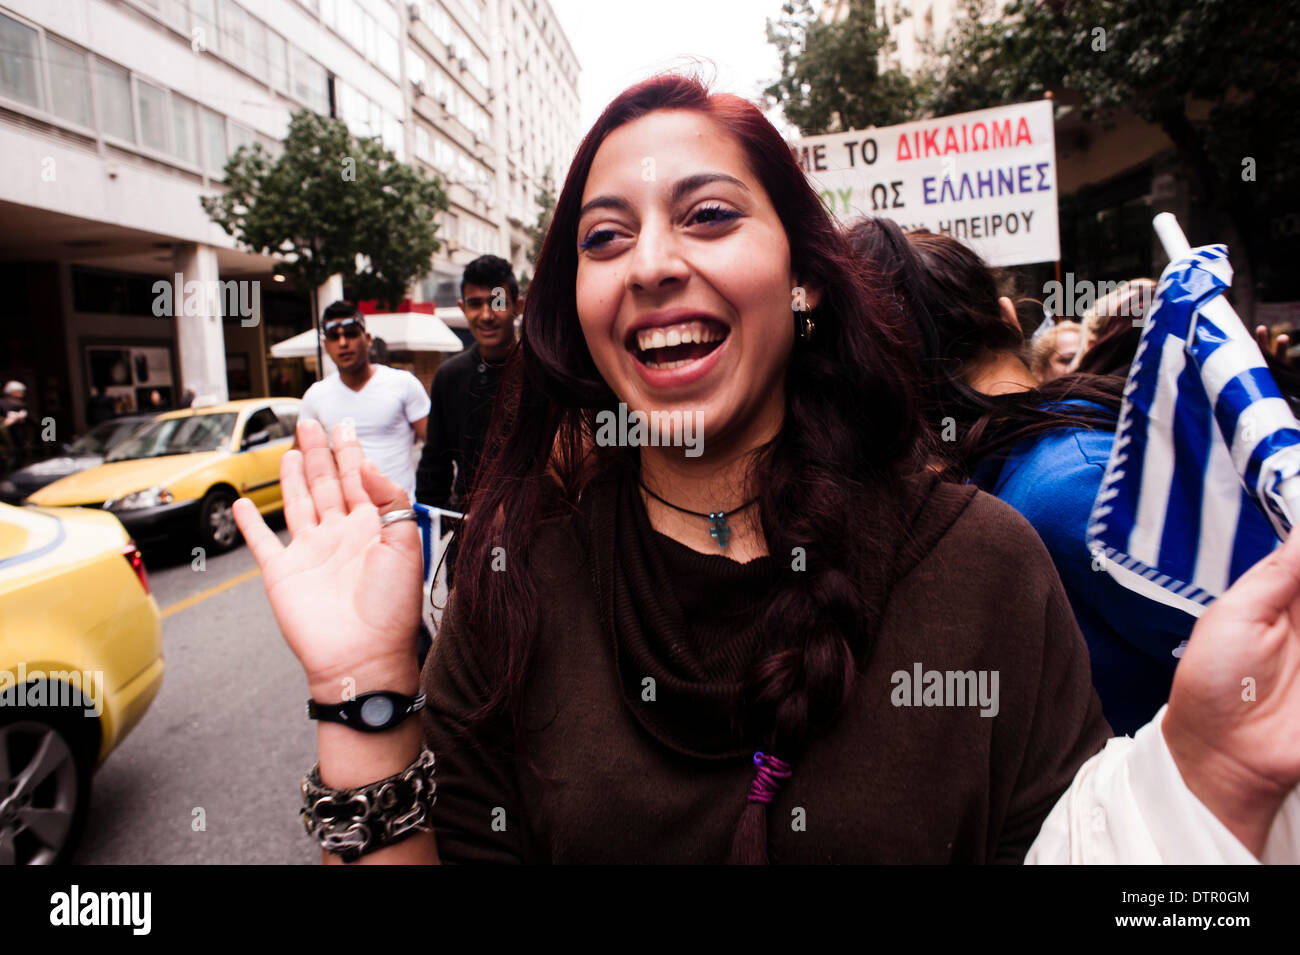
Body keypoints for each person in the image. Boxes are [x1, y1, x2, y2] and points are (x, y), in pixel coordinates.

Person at [234, 75, 1300, 865]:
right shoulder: (516, 577)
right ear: (581, 315)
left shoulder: (986, 571)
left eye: (706, 215)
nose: (651, 263)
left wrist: (1204, 783)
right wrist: (359, 689)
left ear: (803, 284)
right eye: (604, 238)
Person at [415, 255, 521, 585]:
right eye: (475, 304)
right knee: (467, 629)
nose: (486, 315)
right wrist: (429, 530)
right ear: (462, 307)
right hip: (469, 538)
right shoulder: (450, 376)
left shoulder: (545, 370)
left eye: (497, 302)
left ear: (517, 306)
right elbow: (435, 464)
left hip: (537, 537)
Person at [298, 302, 430, 502]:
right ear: (325, 345)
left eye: (351, 333)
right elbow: (302, 455)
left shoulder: (402, 384)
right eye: (334, 337)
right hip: (346, 518)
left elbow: (436, 445)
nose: (343, 343)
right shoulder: (315, 396)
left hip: (398, 514)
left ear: (367, 339)